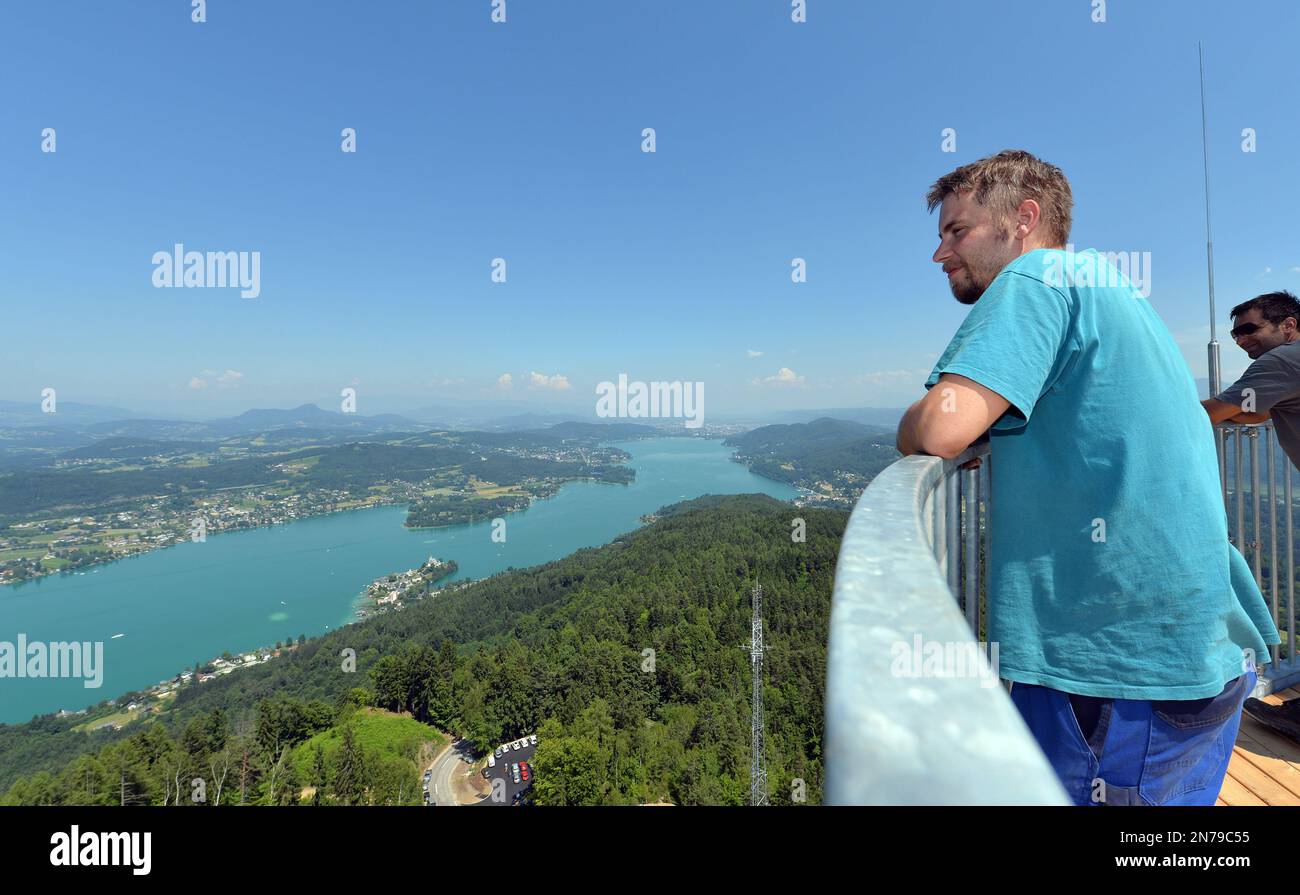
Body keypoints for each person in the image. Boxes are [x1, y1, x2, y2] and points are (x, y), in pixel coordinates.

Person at [895, 148, 1279, 805]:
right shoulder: (1106, 286)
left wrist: (910, 427)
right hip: (1190, 644)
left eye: (956, 231)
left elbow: (937, 430)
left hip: (1117, 666)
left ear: (1023, 218)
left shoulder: (1036, 276)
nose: (940, 254)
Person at [1202, 291, 1300, 468]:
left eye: (1248, 330)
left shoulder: (1280, 360)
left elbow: (1208, 413)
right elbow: (1258, 413)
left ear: (1288, 325)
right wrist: (1233, 409)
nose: (1240, 341)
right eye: (1235, 335)